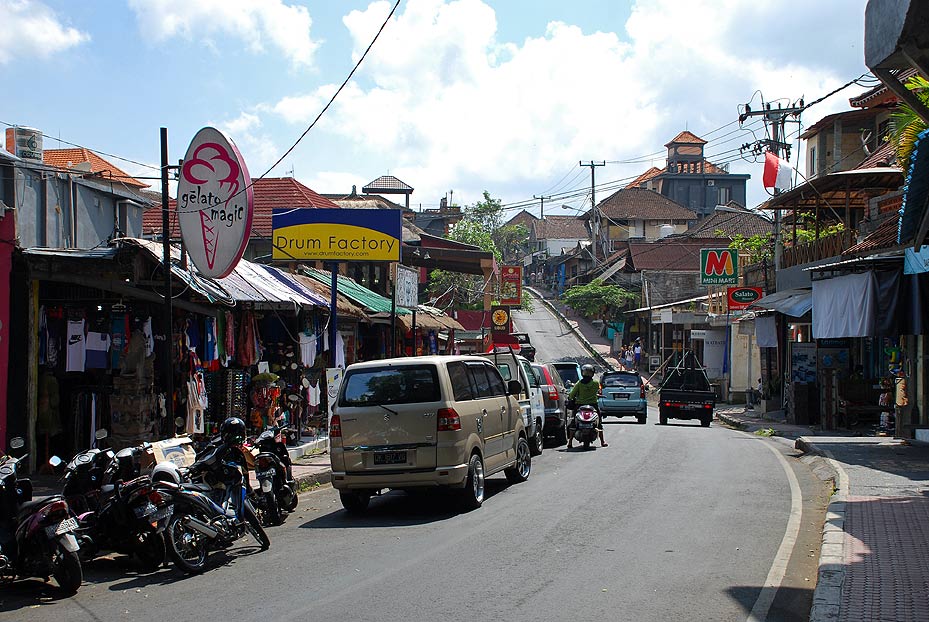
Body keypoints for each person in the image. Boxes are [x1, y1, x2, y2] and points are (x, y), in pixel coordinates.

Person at [566, 364, 608, 448]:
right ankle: (602, 441)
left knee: (573, 423)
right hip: (593, 405)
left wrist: (571, 397)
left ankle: (570, 442)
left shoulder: (579, 384)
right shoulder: (595, 383)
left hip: (579, 405)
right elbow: (598, 391)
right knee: (599, 422)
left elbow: (571, 395)